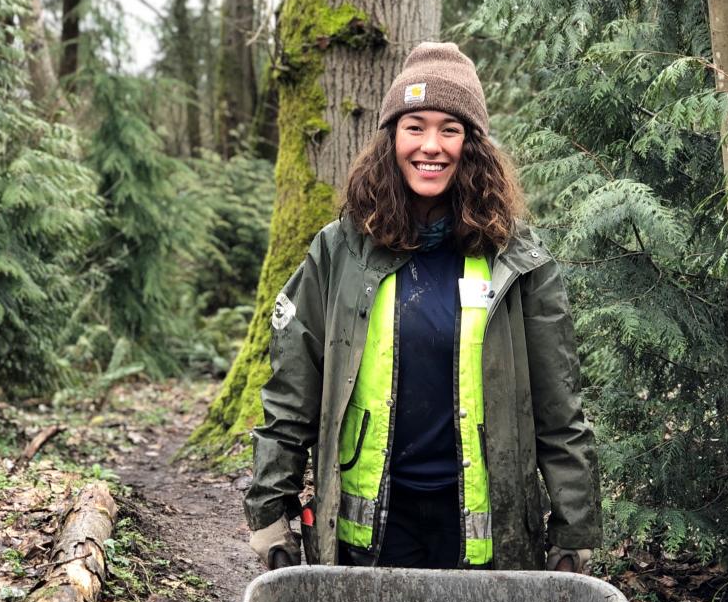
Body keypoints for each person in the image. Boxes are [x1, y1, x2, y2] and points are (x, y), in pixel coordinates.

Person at [244, 42, 601, 573]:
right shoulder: (339, 252)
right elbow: (291, 392)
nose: (430, 146)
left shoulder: (519, 262)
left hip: (485, 535)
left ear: (472, 146)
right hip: (370, 533)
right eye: (414, 126)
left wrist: (574, 528)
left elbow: (559, 407)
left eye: (449, 129)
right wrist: (271, 512)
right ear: (391, 139)